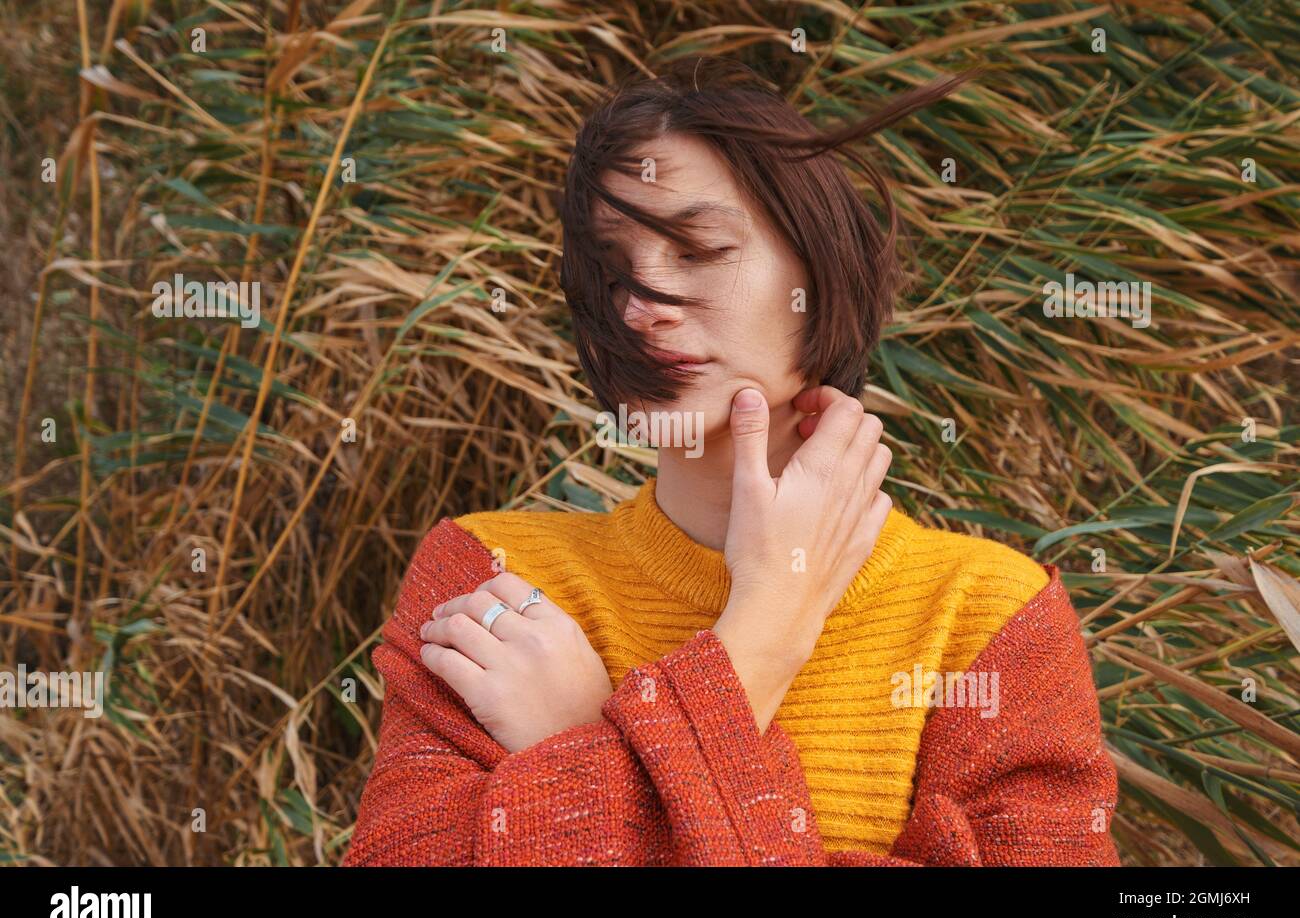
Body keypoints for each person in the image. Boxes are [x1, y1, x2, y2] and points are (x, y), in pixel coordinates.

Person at [342, 56, 1121, 866]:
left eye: (699, 248)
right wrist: (760, 635)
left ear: (821, 274)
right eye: (612, 272)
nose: (642, 304)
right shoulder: (495, 581)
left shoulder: (986, 620)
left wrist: (588, 736)